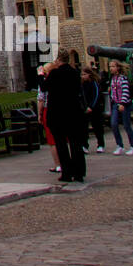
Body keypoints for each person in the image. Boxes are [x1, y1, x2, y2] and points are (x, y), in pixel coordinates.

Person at [45, 51, 87, 185]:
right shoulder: (74, 72)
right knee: (76, 144)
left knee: (61, 144)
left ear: (58, 59)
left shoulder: (55, 74)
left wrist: (41, 75)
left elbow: (44, 87)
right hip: (74, 112)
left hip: (58, 114)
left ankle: (67, 173)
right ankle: (79, 173)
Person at [109, 60, 133, 155]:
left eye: (113, 66)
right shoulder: (113, 78)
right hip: (115, 104)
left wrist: (122, 103)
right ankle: (119, 145)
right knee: (113, 124)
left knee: (126, 125)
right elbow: (113, 91)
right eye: (110, 67)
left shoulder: (123, 78)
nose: (111, 68)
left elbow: (125, 91)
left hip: (125, 104)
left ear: (118, 67)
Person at [37, 63, 61, 173]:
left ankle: (58, 165)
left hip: (49, 110)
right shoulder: (60, 80)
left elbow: (41, 100)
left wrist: (39, 114)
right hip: (60, 110)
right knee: (62, 139)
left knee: (52, 141)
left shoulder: (44, 82)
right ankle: (65, 163)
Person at [80, 65, 105, 153]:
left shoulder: (94, 83)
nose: (82, 76)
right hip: (85, 108)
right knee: (83, 128)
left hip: (94, 108)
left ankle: (101, 144)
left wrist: (91, 106)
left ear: (89, 74)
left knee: (97, 126)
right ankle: (84, 145)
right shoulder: (82, 84)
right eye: (82, 74)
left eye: (84, 74)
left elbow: (96, 95)